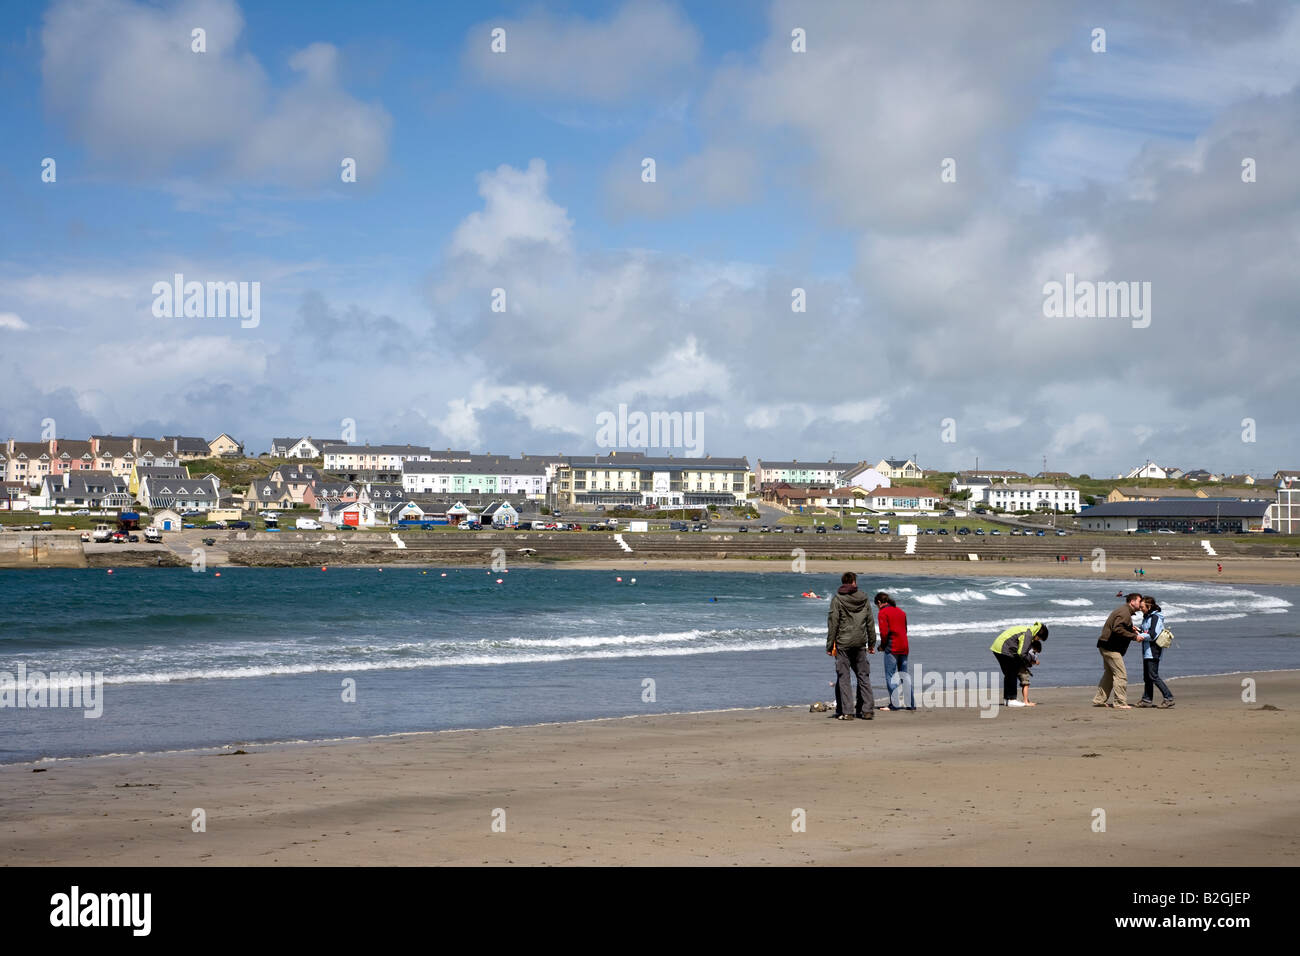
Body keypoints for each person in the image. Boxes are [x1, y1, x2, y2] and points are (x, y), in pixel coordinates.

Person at [826, 571, 877, 720]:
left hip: (843, 643)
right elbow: (870, 622)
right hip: (860, 642)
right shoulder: (864, 598)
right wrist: (872, 642)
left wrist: (829, 645)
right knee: (863, 676)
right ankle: (867, 710)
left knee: (844, 678)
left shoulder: (837, 599)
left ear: (843, 582)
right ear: (854, 582)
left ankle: (847, 711)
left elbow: (833, 623)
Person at [1093, 593, 1143, 709]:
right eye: (1139, 601)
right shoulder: (1125, 612)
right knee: (1121, 675)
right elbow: (1117, 628)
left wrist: (1131, 629)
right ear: (1132, 601)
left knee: (1109, 674)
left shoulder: (1124, 611)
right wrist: (1134, 637)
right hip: (1110, 647)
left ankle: (1099, 700)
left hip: (1105, 645)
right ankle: (1120, 702)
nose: (1141, 604)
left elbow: (1119, 626)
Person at [990, 622, 1049, 707]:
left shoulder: (1028, 631)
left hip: (1000, 647)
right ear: (1038, 634)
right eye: (1039, 638)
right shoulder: (1028, 635)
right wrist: (1030, 662)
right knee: (1012, 672)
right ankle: (1012, 700)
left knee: (1009, 673)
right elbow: (1022, 653)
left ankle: (1007, 699)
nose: (1038, 640)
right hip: (1004, 648)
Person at [874, 592, 912, 711]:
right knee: (904, 676)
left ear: (879, 603)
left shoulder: (882, 613)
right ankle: (911, 703)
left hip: (892, 646)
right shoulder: (901, 611)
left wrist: (882, 646)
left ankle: (894, 704)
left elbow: (884, 633)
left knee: (890, 676)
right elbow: (905, 629)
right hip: (904, 645)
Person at [1136, 595, 1174, 708]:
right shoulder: (1147, 617)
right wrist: (1138, 630)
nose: (1140, 609)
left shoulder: (1156, 617)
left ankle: (1169, 698)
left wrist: (1140, 636)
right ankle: (1147, 700)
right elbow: (1146, 630)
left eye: (1142, 607)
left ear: (1149, 606)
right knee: (1147, 676)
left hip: (1153, 650)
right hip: (1147, 650)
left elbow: (1153, 635)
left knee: (1153, 676)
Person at [1018, 639, 1042, 706]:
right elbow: (1030, 660)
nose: (1036, 653)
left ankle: (1026, 700)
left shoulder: (1027, 649)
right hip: (1022, 669)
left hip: (1019, 667)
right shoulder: (1031, 652)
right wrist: (1035, 661)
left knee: (1024, 685)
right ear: (1036, 648)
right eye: (1036, 651)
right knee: (1026, 684)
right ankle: (1026, 702)